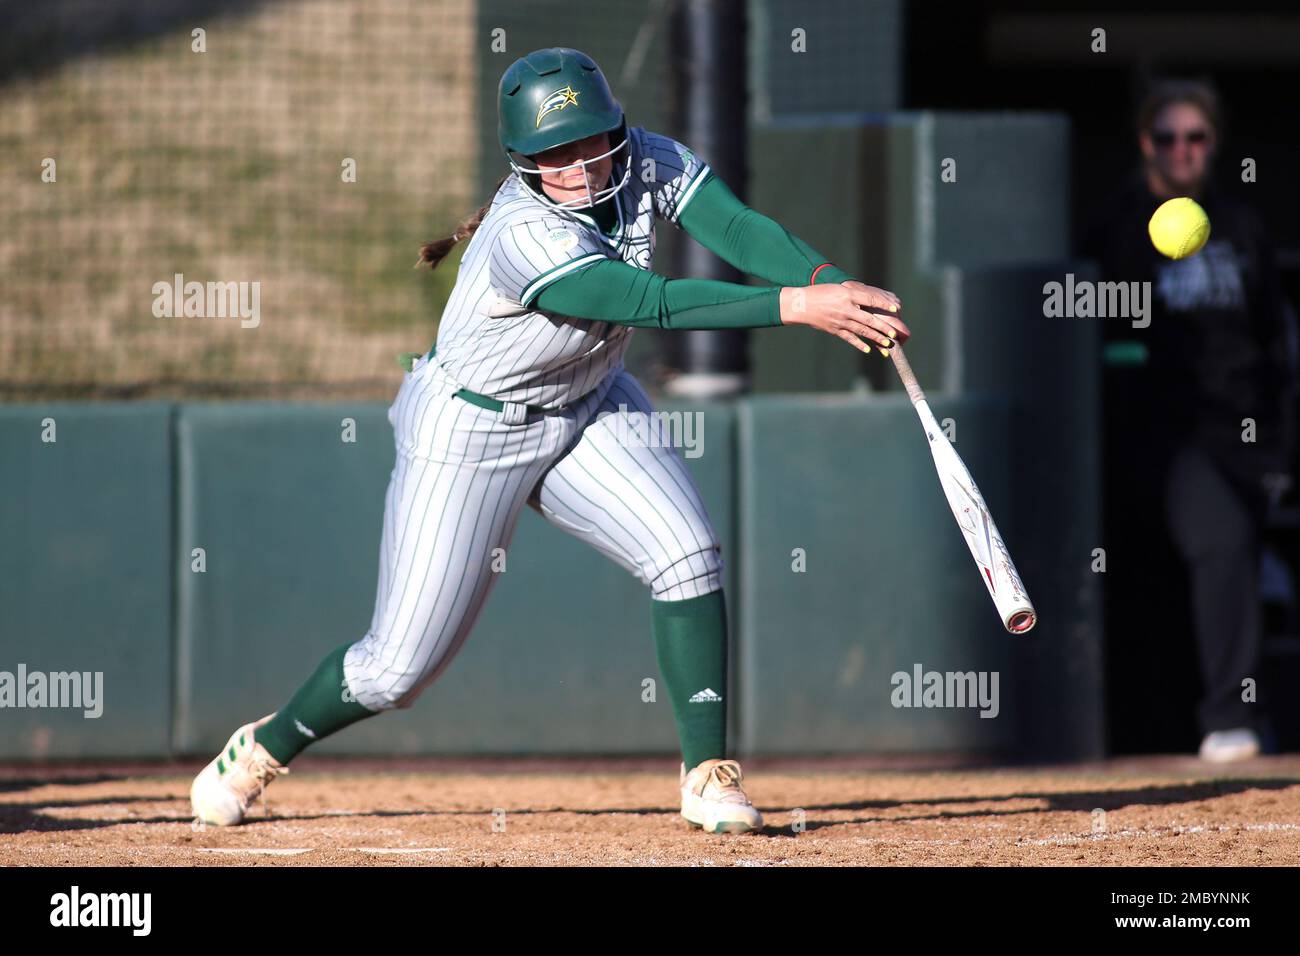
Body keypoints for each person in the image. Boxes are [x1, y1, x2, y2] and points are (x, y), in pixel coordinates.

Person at [190, 47, 907, 834]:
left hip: (586, 405)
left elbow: (735, 226)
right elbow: (650, 302)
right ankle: (264, 746)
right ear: (520, 160)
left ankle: (706, 773)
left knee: (688, 554)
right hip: (469, 429)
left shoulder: (648, 159)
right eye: (549, 153)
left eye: (588, 140)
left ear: (616, 127)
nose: (574, 164)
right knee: (396, 670)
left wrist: (830, 285)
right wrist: (796, 310)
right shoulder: (522, 233)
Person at [1084, 78, 1295, 762]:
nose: (1182, 151)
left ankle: (1230, 716)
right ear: (1147, 143)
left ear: (1215, 145)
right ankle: (1226, 716)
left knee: (1230, 560)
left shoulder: (1241, 227)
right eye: (1168, 137)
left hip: (1243, 432)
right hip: (1164, 435)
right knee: (1214, 546)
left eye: (1196, 138)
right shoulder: (1115, 230)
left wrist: (1280, 443)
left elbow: (1274, 340)